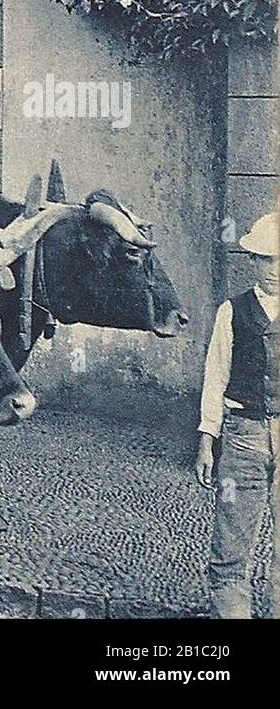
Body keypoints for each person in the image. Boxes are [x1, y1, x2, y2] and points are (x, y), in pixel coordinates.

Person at [196, 211, 279, 618]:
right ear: (253, 261)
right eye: (265, 258)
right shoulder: (232, 311)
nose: (274, 269)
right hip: (243, 434)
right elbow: (216, 376)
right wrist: (207, 440)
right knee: (231, 536)